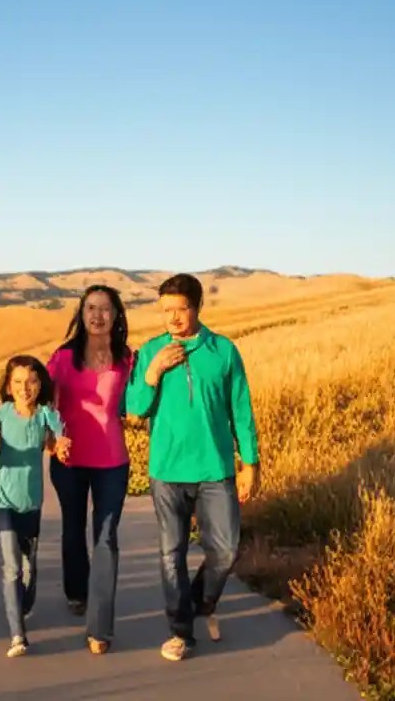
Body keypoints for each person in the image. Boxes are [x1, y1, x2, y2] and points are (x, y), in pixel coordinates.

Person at [126, 273, 260, 662]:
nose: (173, 318)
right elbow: (134, 408)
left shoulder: (223, 351)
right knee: (172, 553)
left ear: (197, 307)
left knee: (226, 550)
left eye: (180, 309)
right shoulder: (151, 351)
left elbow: (241, 410)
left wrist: (250, 463)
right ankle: (180, 631)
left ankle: (201, 602)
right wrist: (153, 374)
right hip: (167, 470)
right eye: (166, 310)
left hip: (215, 468)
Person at [45, 284, 134, 655]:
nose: (98, 315)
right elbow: (42, 405)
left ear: (116, 316)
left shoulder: (128, 358)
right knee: (73, 527)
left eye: (105, 309)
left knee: (106, 536)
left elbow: (138, 402)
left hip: (112, 460)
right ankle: (76, 591)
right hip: (68, 459)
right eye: (91, 308)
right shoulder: (63, 357)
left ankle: (100, 625)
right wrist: (51, 442)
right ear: (81, 315)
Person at [0, 355, 72, 658]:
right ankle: (17, 636)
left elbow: (59, 436)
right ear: (8, 387)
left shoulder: (45, 415)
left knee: (27, 567)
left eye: (31, 381)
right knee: (12, 567)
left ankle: (23, 602)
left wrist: (62, 445)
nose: (24, 388)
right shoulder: (1, 414)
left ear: (40, 385)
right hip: (2, 501)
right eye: (17, 382)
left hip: (31, 502)